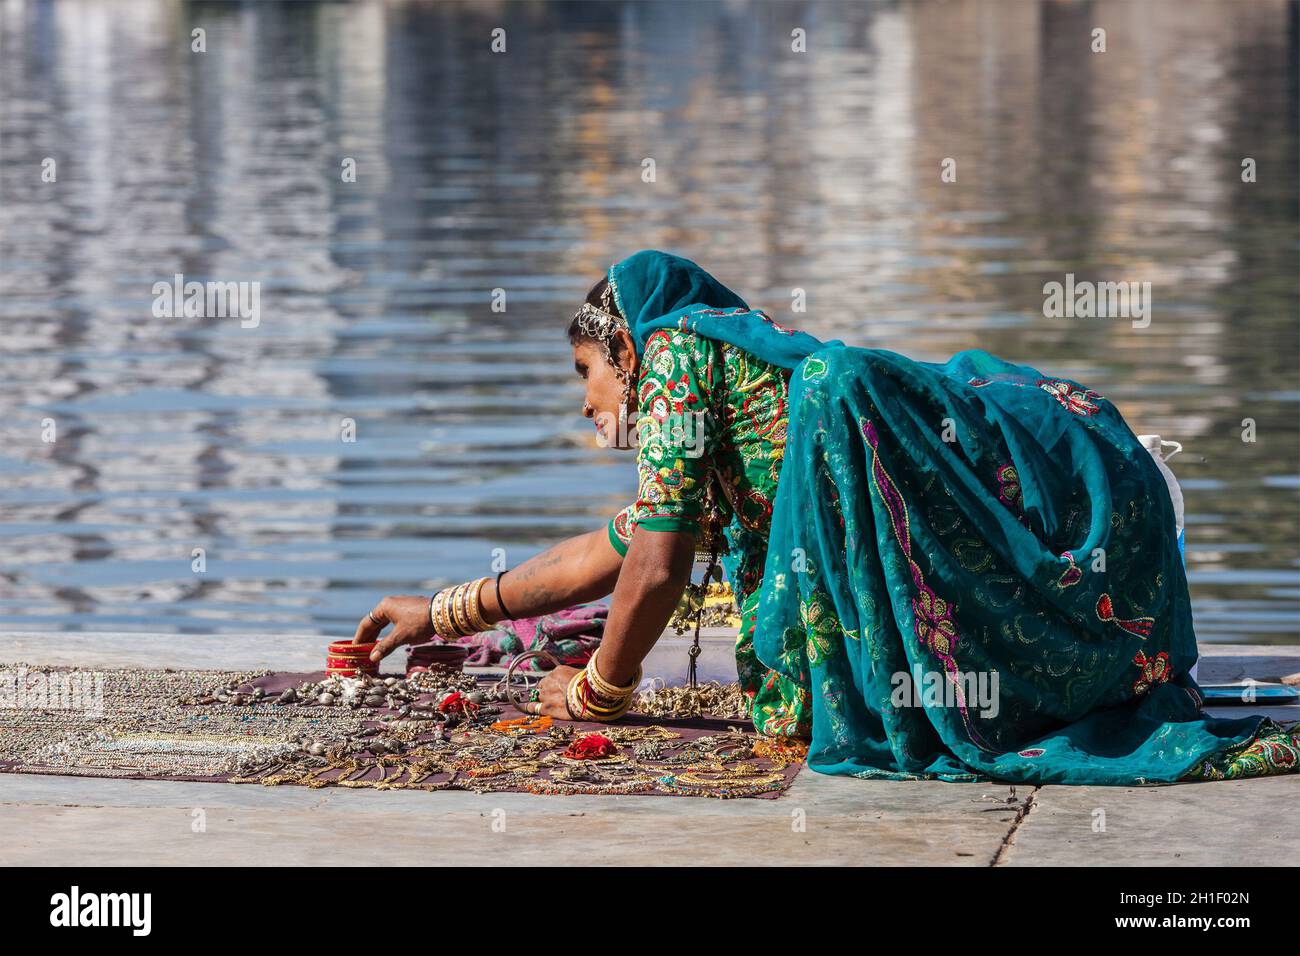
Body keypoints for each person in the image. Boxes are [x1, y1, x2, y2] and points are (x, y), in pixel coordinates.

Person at [352, 249, 1299, 784]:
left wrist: (599, 692)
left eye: (585, 375)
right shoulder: (713, 385)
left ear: (625, 351)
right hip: (1053, 455)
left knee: (843, 721)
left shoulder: (677, 356)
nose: (587, 403)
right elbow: (617, 549)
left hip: (1026, 469)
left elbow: (655, 569)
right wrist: (438, 610)